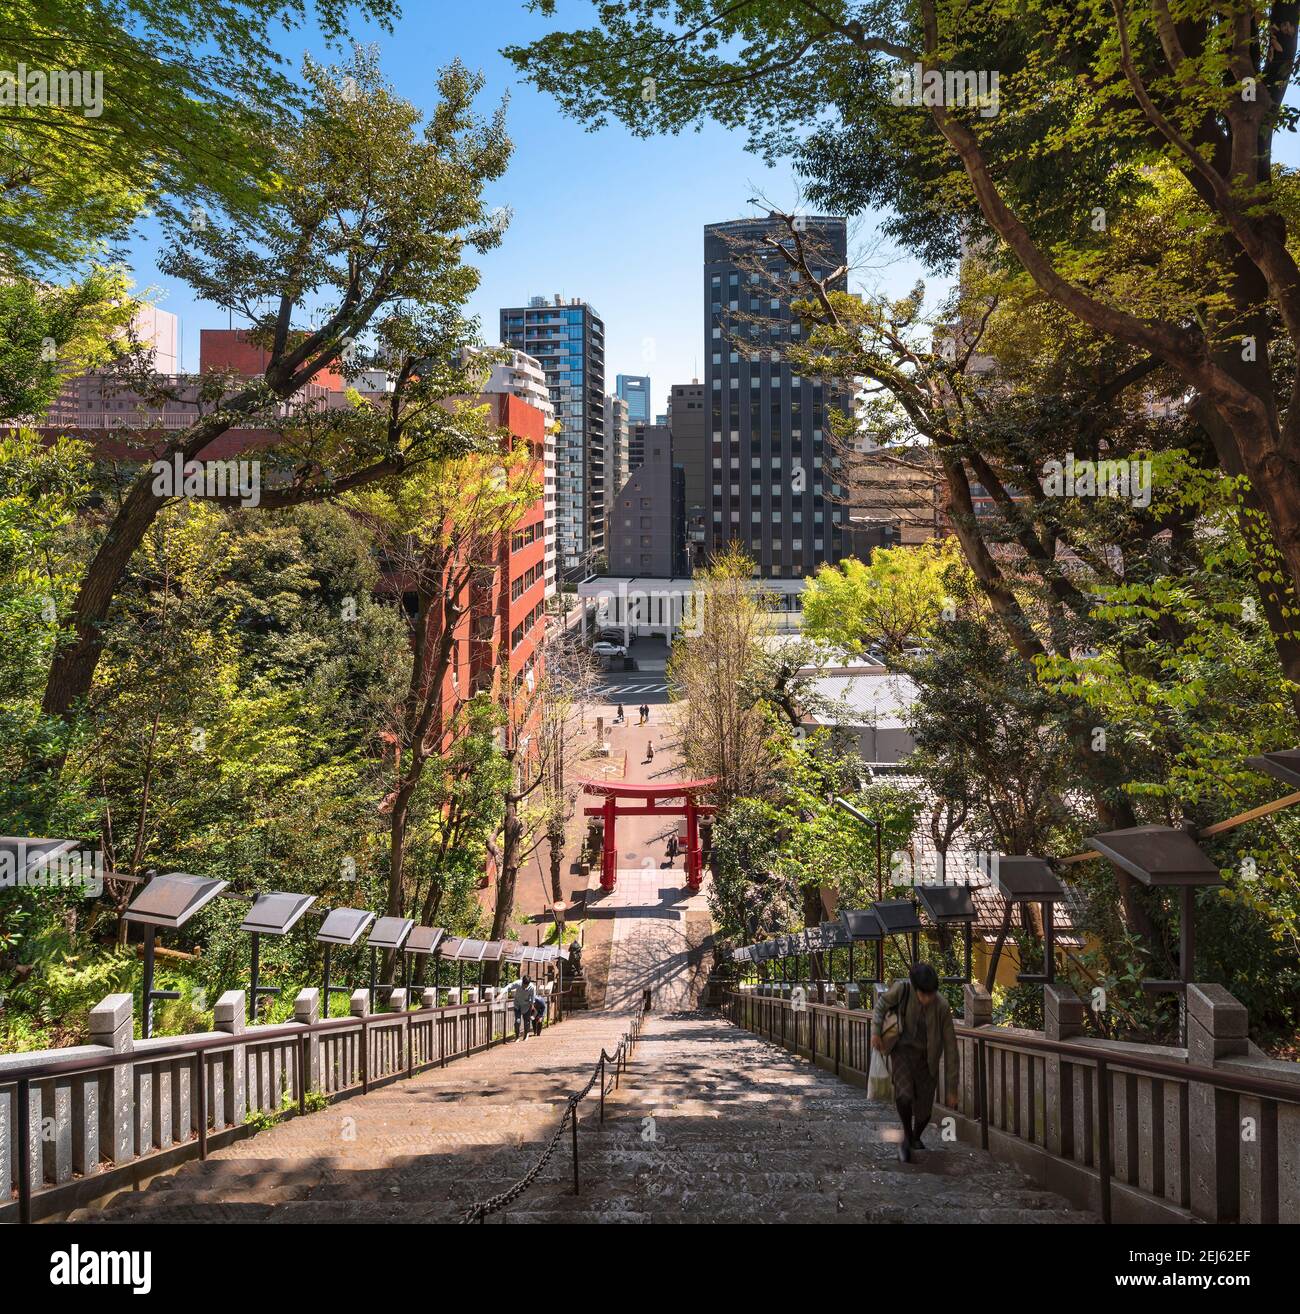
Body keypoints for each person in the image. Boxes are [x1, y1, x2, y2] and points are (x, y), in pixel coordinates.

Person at [871, 961, 958, 1162]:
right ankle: (908, 1138)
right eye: (923, 994)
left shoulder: (942, 1007)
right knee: (904, 1096)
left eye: (931, 994)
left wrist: (953, 1088)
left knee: (924, 1111)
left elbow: (951, 1047)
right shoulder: (902, 990)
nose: (927, 998)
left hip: (927, 1059)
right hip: (902, 1051)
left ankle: (914, 1136)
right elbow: (882, 1005)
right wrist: (876, 1031)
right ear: (916, 988)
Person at [514, 974, 536, 1041]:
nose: (525, 987)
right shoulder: (518, 983)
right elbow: (509, 986)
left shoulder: (532, 987)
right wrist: (502, 993)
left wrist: (532, 1006)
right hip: (518, 1005)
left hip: (527, 1005)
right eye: (524, 984)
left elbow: (533, 998)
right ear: (522, 982)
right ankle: (517, 1036)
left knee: (526, 1022)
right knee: (517, 1021)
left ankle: (526, 1035)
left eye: (526, 985)